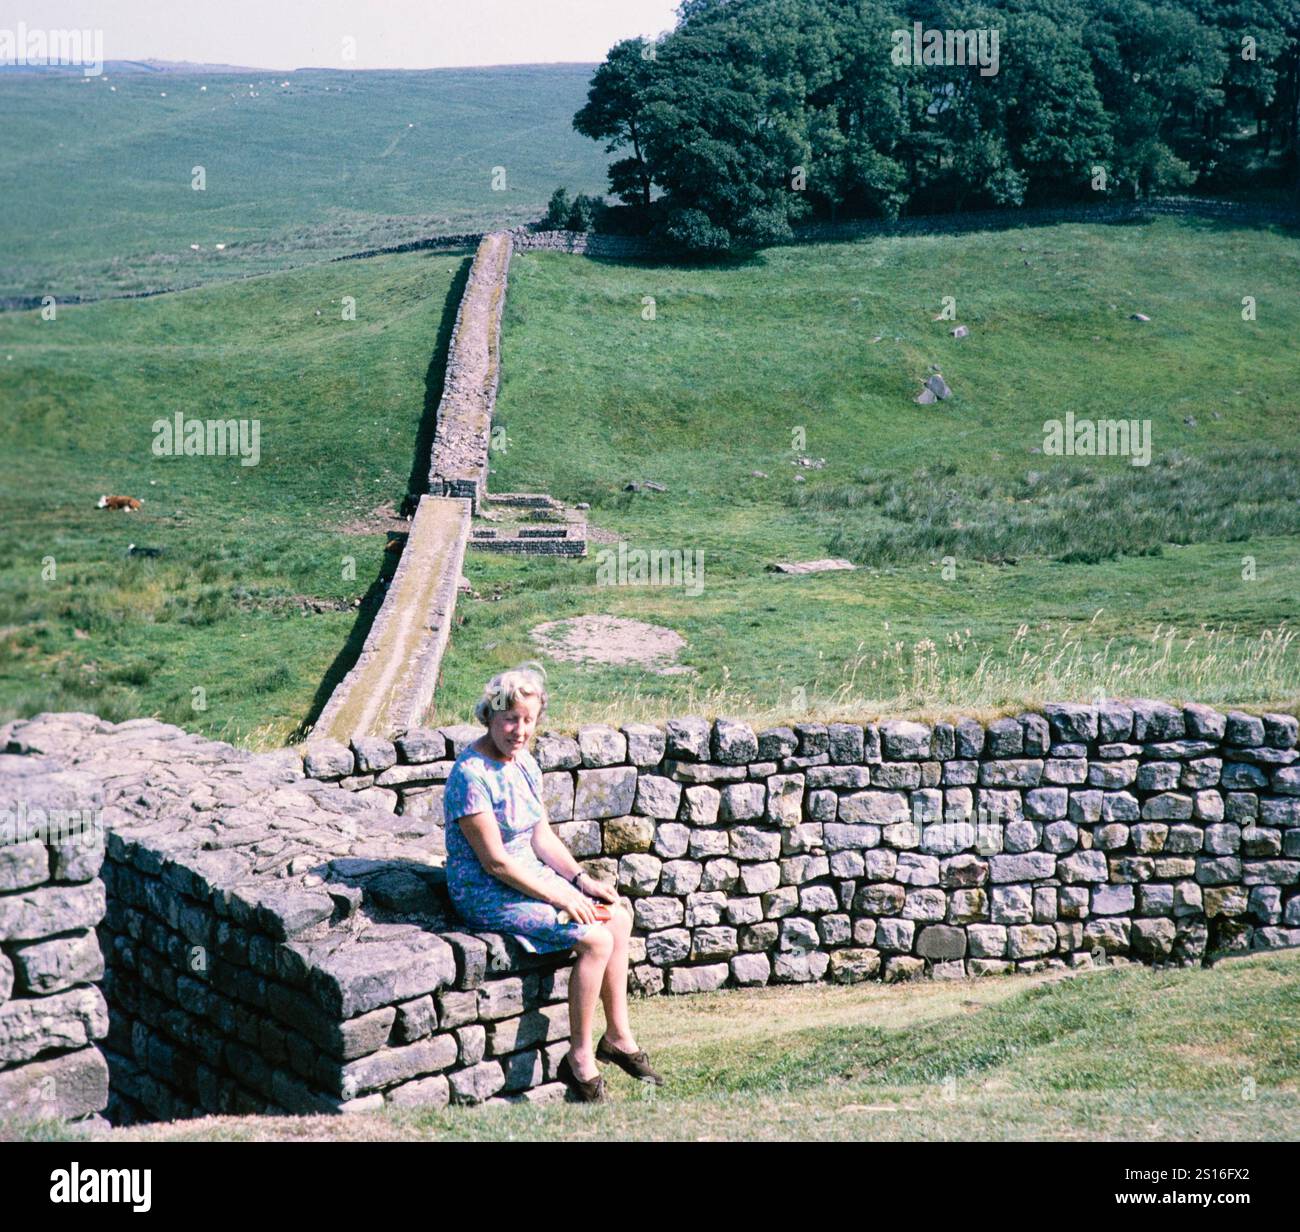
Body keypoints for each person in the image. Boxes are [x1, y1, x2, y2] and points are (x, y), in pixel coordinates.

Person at [441, 662, 662, 1101]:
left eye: (528, 720)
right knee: (595, 940)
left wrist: (581, 880)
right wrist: (562, 895)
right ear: (489, 714)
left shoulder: (523, 763)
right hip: (487, 891)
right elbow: (496, 864)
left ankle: (617, 1036)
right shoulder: (471, 775)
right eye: (509, 718)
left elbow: (540, 836)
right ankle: (579, 1059)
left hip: (529, 876)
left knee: (617, 917)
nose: (519, 729)